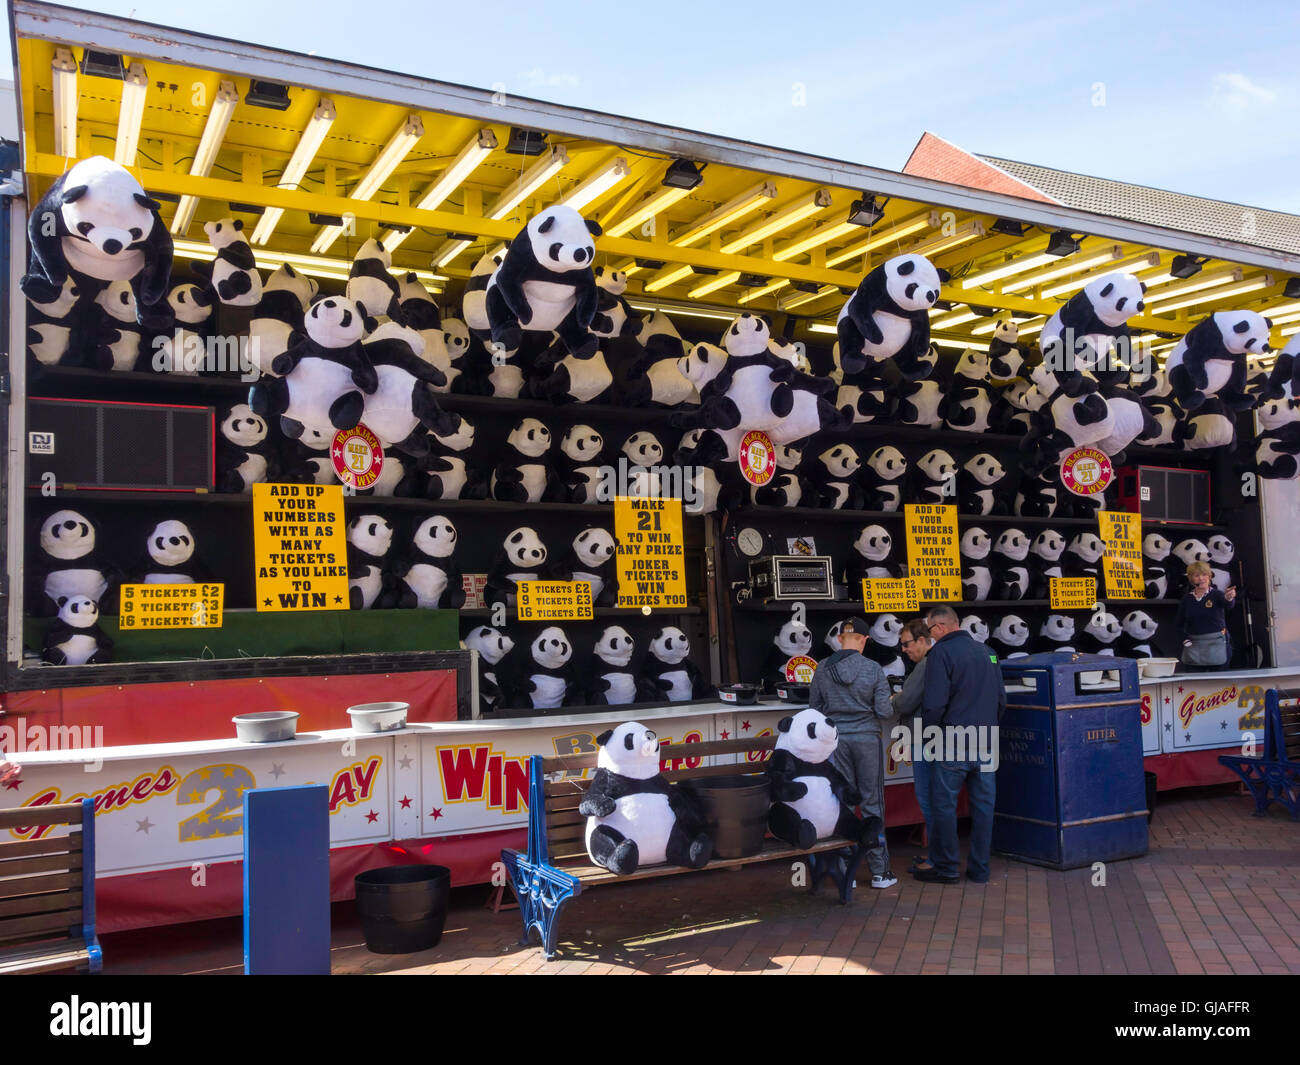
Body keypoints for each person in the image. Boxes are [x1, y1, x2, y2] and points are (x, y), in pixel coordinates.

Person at [916, 604, 1005, 884]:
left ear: (940, 627)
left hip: (952, 739)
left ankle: (947, 867)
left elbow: (934, 703)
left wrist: (930, 733)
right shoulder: (988, 653)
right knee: (983, 808)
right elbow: (1001, 700)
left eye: (930, 630)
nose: (930, 636)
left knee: (944, 805)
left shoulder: (941, 653)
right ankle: (980, 869)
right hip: (986, 740)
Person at [807, 615, 897, 889]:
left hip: (837, 740)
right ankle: (880, 872)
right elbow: (884, 711)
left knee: (842, 802)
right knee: (872, 803)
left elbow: (815, 708)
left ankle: (846, 868)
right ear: (865, 639)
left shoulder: (822, 668)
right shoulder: (872, 669)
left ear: (839, 638)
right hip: (867, 739)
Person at [892, 618, 934, 871]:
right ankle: (938, 856)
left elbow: (907, 703)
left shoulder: (925, 665)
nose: (904, 650)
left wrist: (895, 698)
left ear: (921, 640)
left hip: (923, 737)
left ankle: (935, 858)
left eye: (907, 644)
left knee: (927, 797)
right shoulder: (939, 660)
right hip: (937, 737)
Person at [1177, 561, 1237, 673]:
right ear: (1191, 579)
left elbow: (1228, 604)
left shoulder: (1216, 594)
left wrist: (1229, 597)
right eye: (1197, 575)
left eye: (1204, 575)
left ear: (1209, 577)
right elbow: (1179, 624)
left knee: (1219, 683)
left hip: (1217, 644)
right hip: (1195, 646)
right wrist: (1184, 640)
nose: (1201, 578)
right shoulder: (1186, 599)